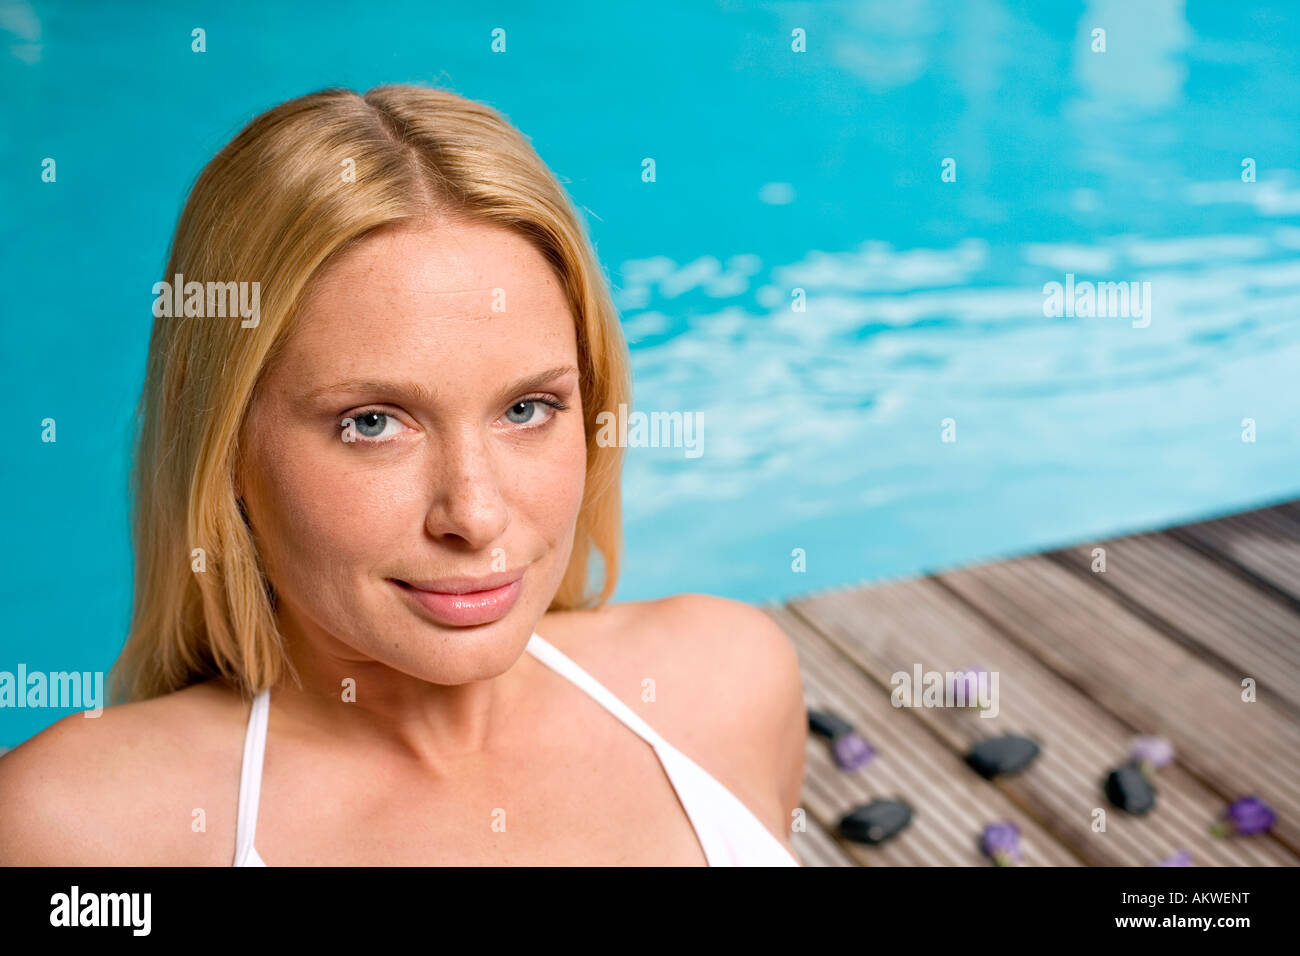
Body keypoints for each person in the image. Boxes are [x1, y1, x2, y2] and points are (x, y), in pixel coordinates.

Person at [0, 85, 806, 866]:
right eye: (373, 424)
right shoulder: (74, 829)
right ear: (228, 449)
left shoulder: (727, 683)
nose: (476, 515)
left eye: (527, 409)